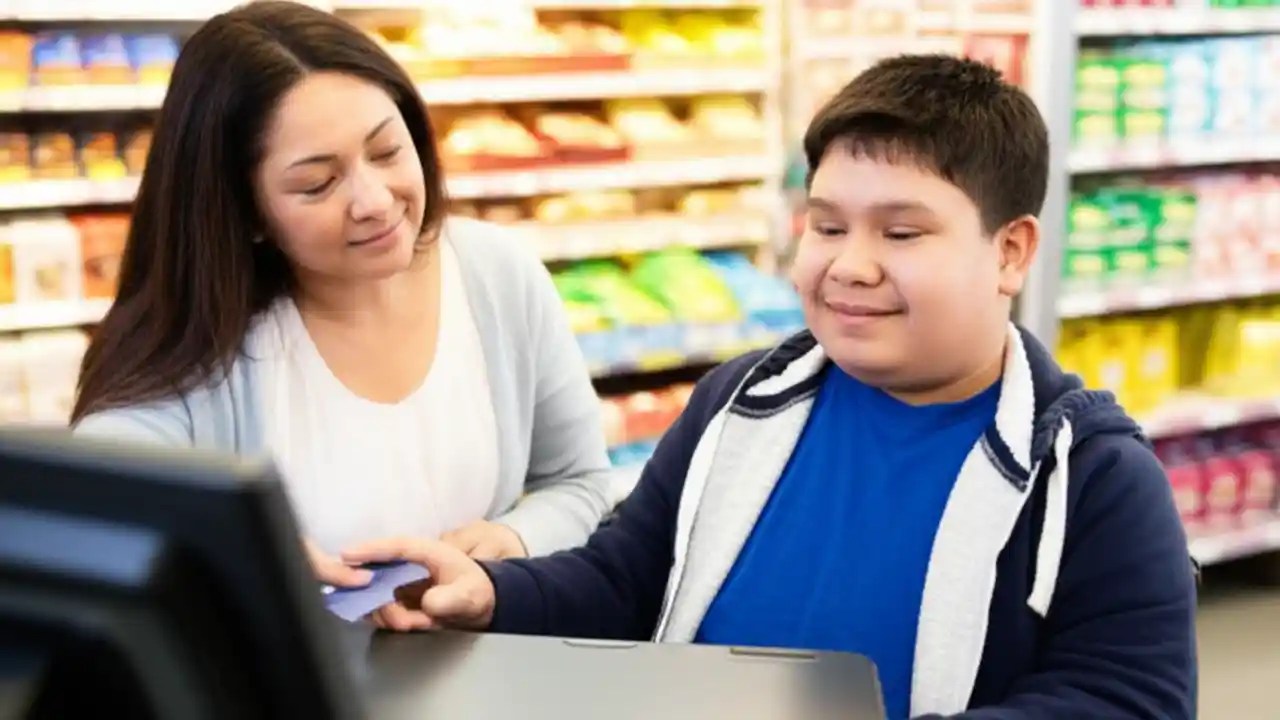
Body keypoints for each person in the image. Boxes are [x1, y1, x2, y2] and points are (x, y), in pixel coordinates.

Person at [341, 55, 1198, 719]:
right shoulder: (741, 403)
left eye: (901, 231)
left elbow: (1128, 701)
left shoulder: (1089, 477)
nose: (848, 265)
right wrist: (491, 591)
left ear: (1010, 251)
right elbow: (627, 580)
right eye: (826, 225)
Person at [69, 0, 615, 621]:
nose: (375, 201)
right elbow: (101, 506)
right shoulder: (204, 336)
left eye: (387, 152)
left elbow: (580, 482)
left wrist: (512, 545)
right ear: (244, 211)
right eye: (317, 184)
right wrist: (243, 562)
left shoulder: (496, 275)